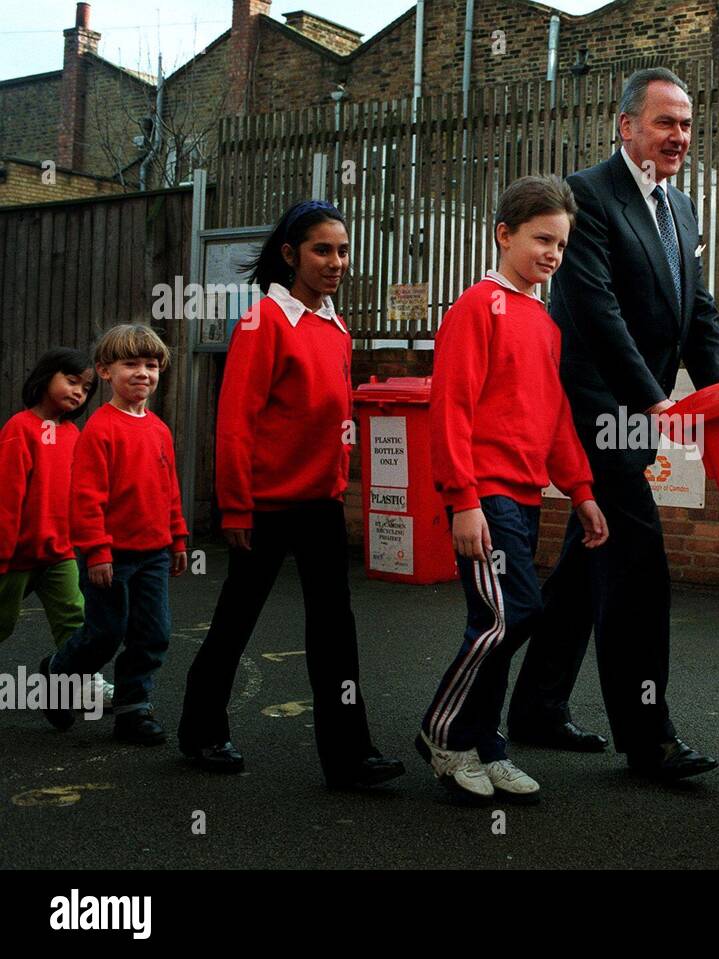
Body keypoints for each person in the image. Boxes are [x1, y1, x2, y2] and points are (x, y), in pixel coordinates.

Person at [508, 68, 719, 781]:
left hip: (634, 413)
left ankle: (537, 705)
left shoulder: (684, 209)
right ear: (626, 126)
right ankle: (648, 737)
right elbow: (597, 311)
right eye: (665, 122)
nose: (679, 137)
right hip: (591, 409)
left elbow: (696, 313)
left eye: (688, 124)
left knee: (587, 558)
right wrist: (653, 399)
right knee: (637, 563)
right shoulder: (589, 197)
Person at [177, 199, 404, 790]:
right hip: (266, 505)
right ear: (290, 255)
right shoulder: (263, 322)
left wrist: (336, 478)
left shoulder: (334, 325)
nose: (336, 262)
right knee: (236, 620)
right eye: (322, 250)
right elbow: (235, 421)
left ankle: (349, 756)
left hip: (319, 504)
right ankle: (200, 730)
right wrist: (235, 505)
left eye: (343, 250)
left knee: (335, 629)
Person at [416, 174, 608, 804]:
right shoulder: (478, 306)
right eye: (540, 239)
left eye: (560, 244)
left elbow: (554, 417)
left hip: (527, 497)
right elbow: (451, 408)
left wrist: (580, 490)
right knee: (511, 614)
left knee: (496, 620)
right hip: (486, 494)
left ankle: (486, 747)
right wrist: (463, 499)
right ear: (504, 234)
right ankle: (445, 732)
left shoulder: (545, 322)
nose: (552, 254)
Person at [42, 326, 188, 742]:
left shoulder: (159, 429)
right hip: (111, 557)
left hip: (156, 554)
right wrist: (98, 552)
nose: (143, 373)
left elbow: (169, 490)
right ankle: (58, 675)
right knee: (105, 633)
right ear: (105, 371)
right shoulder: (100, 430)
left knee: (153, 632)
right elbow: (86, 499)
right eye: (131, 364)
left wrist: (177, 539)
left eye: (151, 364)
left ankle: (133, 710)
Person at [0, 349, 112, 707]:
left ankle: (81, 685)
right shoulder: (19, 428)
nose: (79, 391)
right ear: (46, 377)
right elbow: (6, 498)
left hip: (59, 552)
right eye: (71, 380)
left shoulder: (73, 434)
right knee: (2, 622)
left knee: (75, 620)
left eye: (86, 387)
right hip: (15, 555)